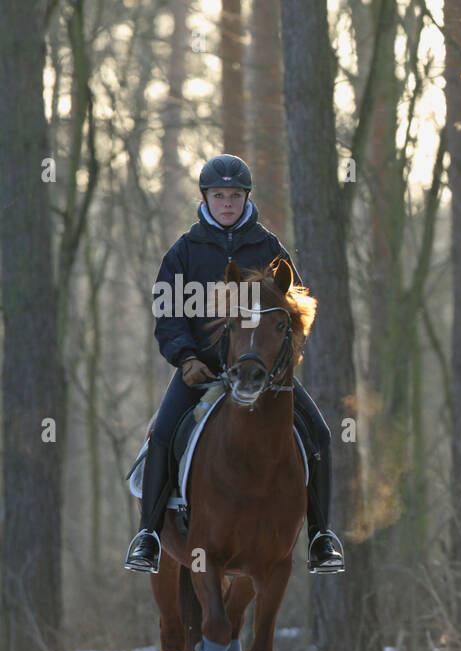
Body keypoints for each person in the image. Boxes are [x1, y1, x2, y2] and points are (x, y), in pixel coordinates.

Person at [124, 154, 346, 574]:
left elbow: (295, 316)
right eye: (219, 195)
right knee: (163, 434)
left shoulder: (270, 250)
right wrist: (185, 358)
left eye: (235, 195)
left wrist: (279, 364)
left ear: (247, 198)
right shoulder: (183, 253)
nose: (227, 202)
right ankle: (149, 535)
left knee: (319, 434)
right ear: (206, 198)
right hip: (203, 371)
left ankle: (320, 537)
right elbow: (168, 317)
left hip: (263, 375)